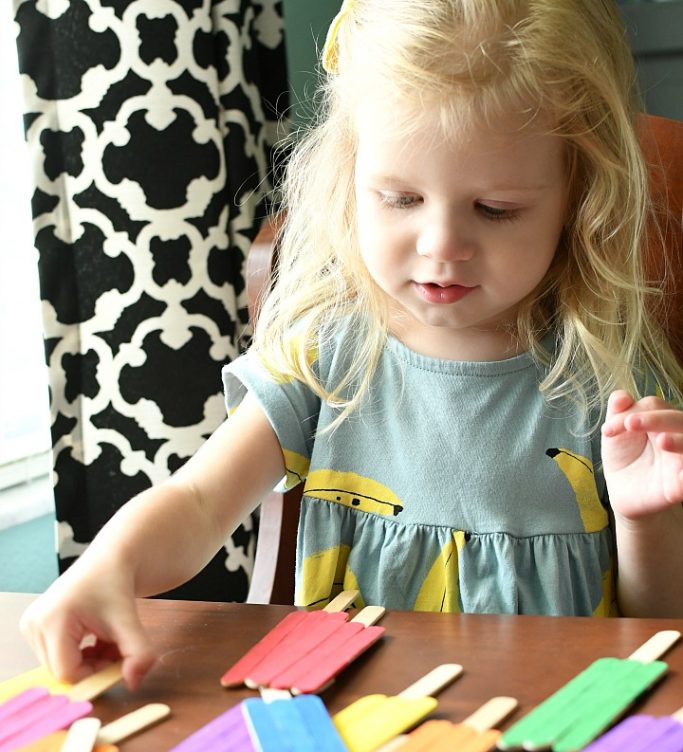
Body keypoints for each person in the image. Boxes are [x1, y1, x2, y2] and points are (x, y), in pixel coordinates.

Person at [21, 0, 683, 689]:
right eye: (398, 198)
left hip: (549, 729)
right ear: (350, 179)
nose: (440, 246)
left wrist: (643, 521)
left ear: (576, 198)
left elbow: (656, 624)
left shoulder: (606, 378)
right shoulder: (328, 357)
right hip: (354, 729)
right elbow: (197, 504)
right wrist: (109, 567)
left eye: (495, 209)